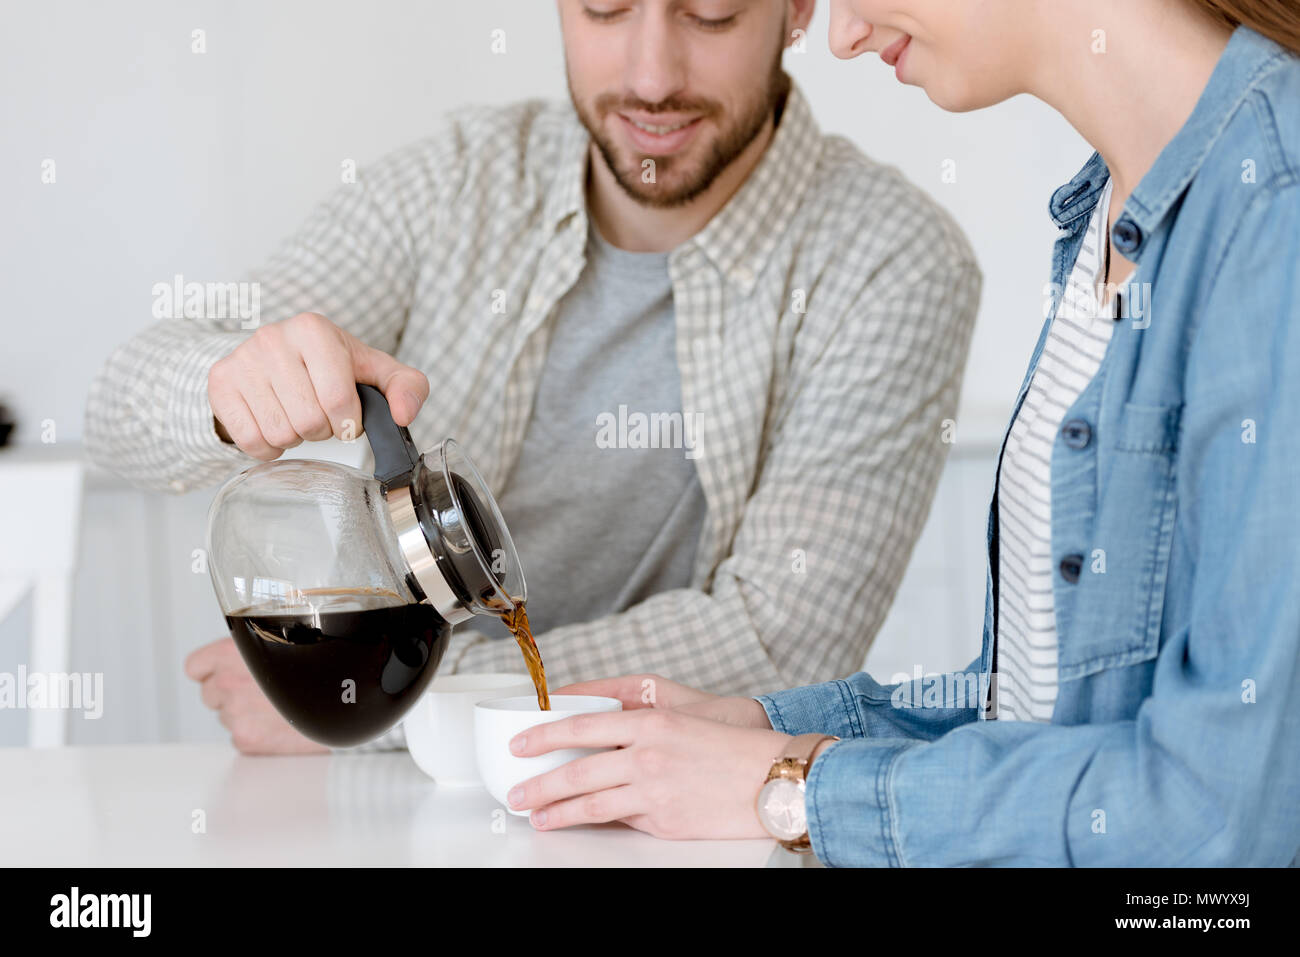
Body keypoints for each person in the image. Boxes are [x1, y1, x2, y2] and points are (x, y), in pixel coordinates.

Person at [504, 0, 1300, 867]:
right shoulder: (1110, 209)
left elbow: (1222, 812)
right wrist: (773, 728)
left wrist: (801, 786)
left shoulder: (1276, 211)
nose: (841, 36)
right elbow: (1045, 716)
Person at [83, 0, 980, 755]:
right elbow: (115, 408)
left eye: (710, 13)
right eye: (605, 8)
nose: (654, 74)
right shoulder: (458, 185)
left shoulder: (894, 262)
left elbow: (784, 639)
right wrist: (225, 386)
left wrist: (397, 703)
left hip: (671, 816)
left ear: (796, 11)